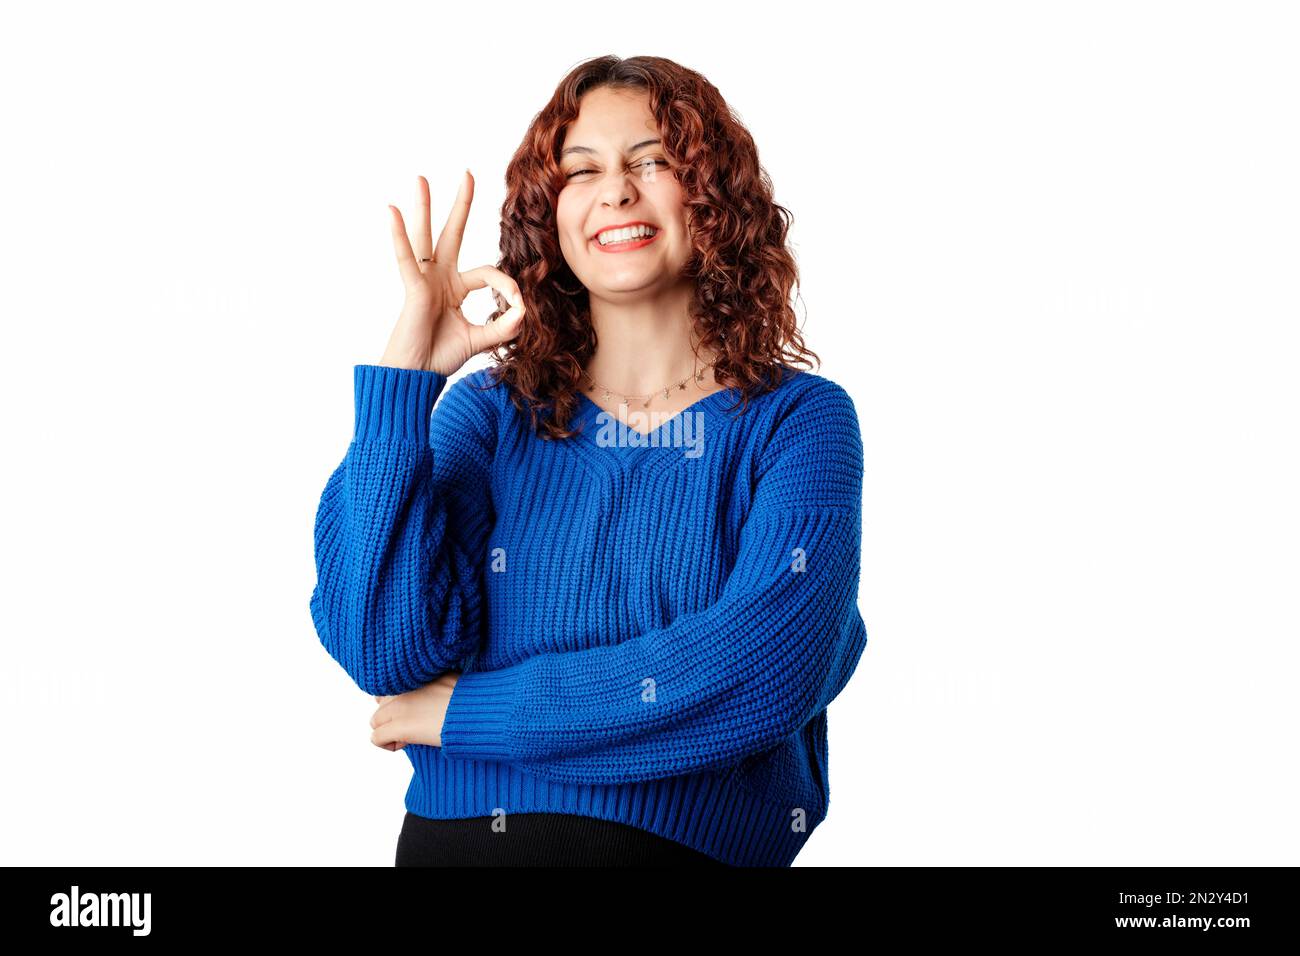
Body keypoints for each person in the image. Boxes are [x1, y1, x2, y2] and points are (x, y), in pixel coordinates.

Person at [309, 55, 869, 867]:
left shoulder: (798, 423)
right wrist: (406, 383)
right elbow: (382, 648)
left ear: (713, 195)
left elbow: (761, 672)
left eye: (652, 161)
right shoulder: (489, 415)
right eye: (582, 171)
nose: (616, 192)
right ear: (550, 213)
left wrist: (471, 714)